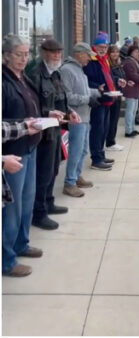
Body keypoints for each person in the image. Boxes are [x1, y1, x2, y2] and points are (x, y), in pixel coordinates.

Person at [2, 34, 49, 277]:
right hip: (12, 154)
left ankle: (21, 243)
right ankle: (6, 260)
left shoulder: (23, 78)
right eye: (19, 54)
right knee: (12, 207)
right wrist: (24, 125)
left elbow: (34, 105)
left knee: (26, 202)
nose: (24, 58)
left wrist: (50, 115)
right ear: (6, 56)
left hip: (29, 147)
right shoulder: (3, 81)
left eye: (26, 53)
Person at [27, 38, 75, 231]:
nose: (57, 55)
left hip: (56, 129)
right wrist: (49, 114)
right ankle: (39, 213)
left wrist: (69, 112)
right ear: (43, 52)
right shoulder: (35, 73)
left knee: (54, 168)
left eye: (59, 52)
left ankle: (48, 202)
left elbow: (61, 99)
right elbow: (32, 105)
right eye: (53, 52)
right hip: (42, 132)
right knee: (43, 172)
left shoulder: (55, 73)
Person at [58, 43, 103, 198]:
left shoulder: (79, 69)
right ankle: (69, 183)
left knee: (83, 150)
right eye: (88, 55)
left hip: (85, 116)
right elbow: (67, 97)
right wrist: (87, 99)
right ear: (79, 54)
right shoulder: (67, 70)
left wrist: (97, 91)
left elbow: (83, 90)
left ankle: (76, 176)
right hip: (75, 118)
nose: (90, 59)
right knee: (76, 151)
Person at [82, 32, 117, 171]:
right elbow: (85, 80)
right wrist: (97, 87)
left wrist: (117, 81)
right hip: (97, 100)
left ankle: (101, 155)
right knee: (97, 130)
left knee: (104, 129)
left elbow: (109, 75)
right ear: (94, 46)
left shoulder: (104, 59)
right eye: (100, 46)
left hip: (108, 98)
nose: (103, 49)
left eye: (105, 46)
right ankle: (96, 159)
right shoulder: (91, 60)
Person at [121, 45, 139, 139]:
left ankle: (132, 129)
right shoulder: (129, 62)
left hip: (135, 90)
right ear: (131, 52)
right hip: (130, 89)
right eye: (136, 52)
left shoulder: (134, 62)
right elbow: (134, 77)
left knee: (133, 111)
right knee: (130, 111)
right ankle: (128, 131)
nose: (138, 54)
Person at [104, 46, 127, 152]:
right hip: (111, 95)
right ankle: (110, 142)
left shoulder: (118, 64)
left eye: (117, 52)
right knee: (111, 119)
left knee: (115, 119)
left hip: (118, 94)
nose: (115, 54)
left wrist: (124, 81)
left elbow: (122, 77)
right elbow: (110, 78)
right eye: (112, 52)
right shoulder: (108, 65)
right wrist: (118, 80)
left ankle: (111, 141)